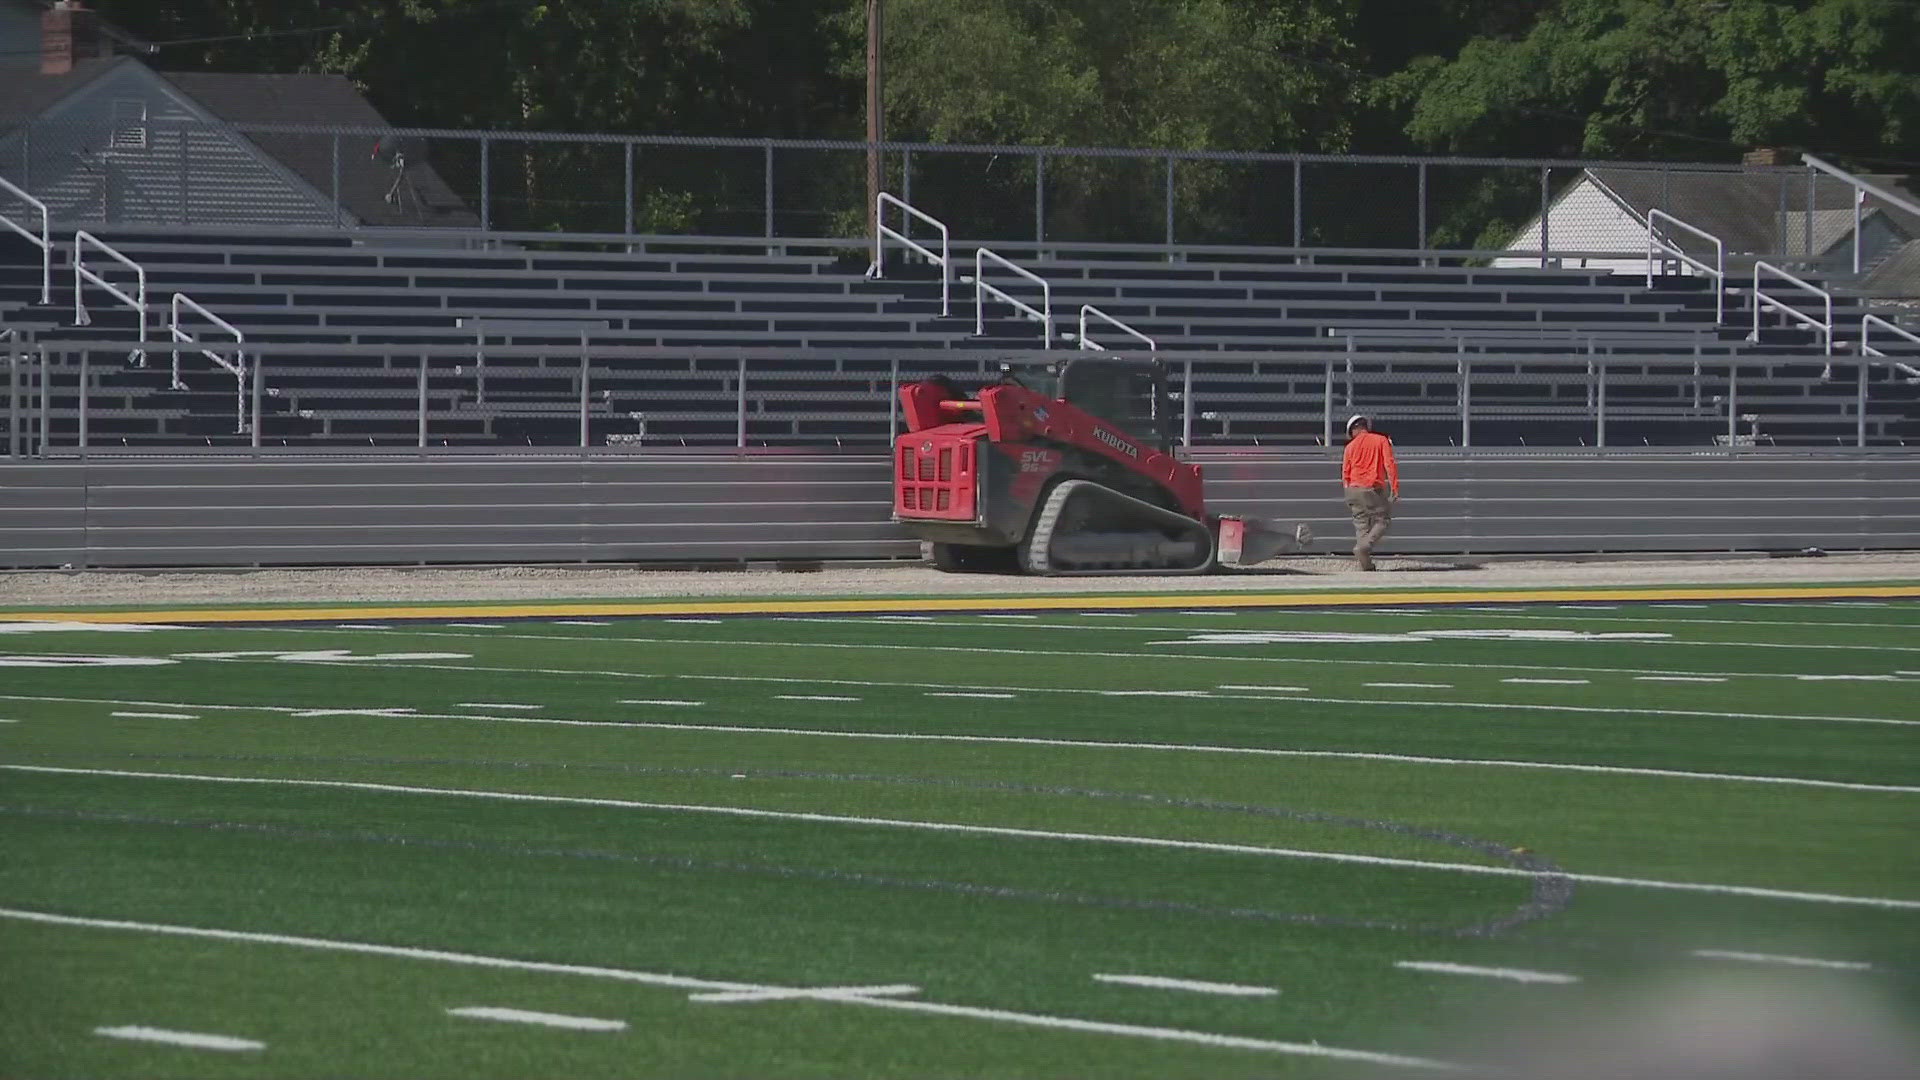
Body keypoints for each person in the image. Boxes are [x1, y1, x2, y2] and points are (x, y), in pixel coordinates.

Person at [1341, 414, 1399, 571]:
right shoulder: (1381, 440)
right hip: (1372, 488)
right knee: (1383, 520)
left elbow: (1345, 472)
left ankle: (1365, 565)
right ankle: (1364, 547)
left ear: (1353, 430)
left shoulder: (1349, 447)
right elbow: (1389, 464)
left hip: (1353, 489)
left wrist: (1347, 492)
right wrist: (1394, 487)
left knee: (1361, 526)